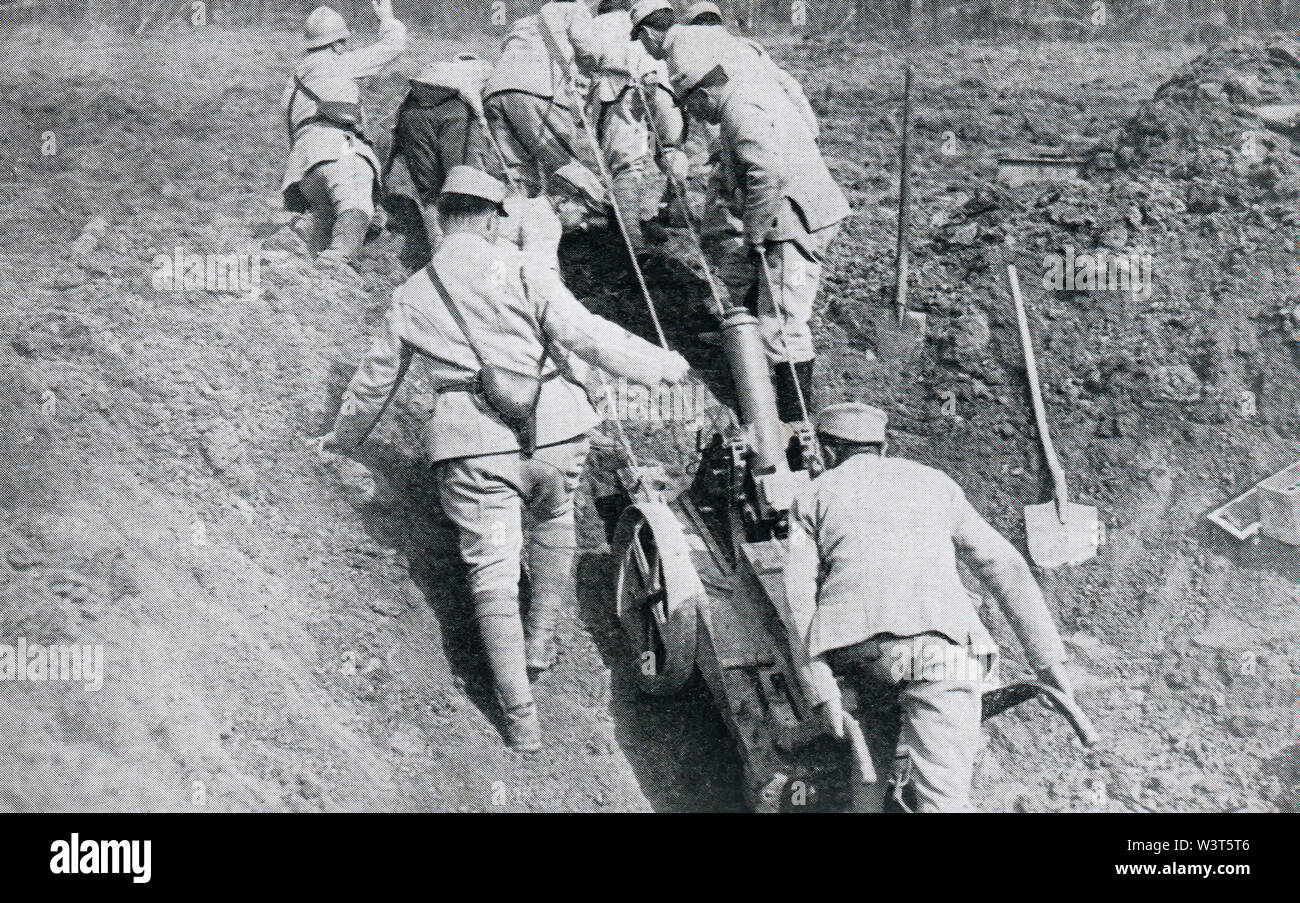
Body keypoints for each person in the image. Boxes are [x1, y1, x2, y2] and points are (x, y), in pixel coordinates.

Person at [322, 167, 691, 751]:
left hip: (472, 447)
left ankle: (521, 723)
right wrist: (659, 367)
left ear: (443, 217)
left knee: (490, 570)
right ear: (496, 217)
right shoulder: (524, 270)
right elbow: (586, 334)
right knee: (554, 517)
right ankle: (541, 641)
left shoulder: (414, 291)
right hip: (556, 433)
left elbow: (375, 381)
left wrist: (343, 438)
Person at [780, 403, 1076, 812]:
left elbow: (797, 597)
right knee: (944, 799)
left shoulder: (810, 496)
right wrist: (1050, 666)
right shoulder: (937, 484)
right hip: (945, 652)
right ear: (883, 447)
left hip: (861, 655)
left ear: (828, 454)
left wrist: (822, 690)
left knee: (867, 779)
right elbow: (1003, 565)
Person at [671, 58, 848, 423]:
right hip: (802, 218)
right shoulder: (750, 95)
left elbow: (767, 173)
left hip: (796, 227)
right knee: (772, 305)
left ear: (703, 94)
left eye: (690, 104)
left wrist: (753, 235)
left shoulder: (739, 112)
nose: (694, 115)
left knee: (782, 325)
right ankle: (758, 377)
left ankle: (794, 430)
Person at [281, 0, 407, 268]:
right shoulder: (338, 63)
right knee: (357, 206)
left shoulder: (292, 83)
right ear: (338, 43)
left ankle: (300, 249)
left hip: (303, 167)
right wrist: (386, 16)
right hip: (340, 150)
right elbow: (393, 46)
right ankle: (337, 262)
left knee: (325, 218)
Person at [480, 0, 607, 210]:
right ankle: (605, 207)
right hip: (538, 91)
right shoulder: (574, 8)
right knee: (561, 159)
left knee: (516, 169)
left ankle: (517, 224)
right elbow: (588, 51)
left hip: (496, 92)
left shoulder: (522, 23)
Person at [581, 0, 686, 252]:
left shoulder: (593, 25)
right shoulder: (643, 20)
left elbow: (582, 65)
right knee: (665, 148)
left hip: (622, 94)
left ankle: (634, 242)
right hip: (660, 90)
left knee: (627, 165)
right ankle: (677, 207)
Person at [388, 53, 493, 248]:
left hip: (412, 113)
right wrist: (482, 122)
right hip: (454, 115)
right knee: (461, 183)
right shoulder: (482, 74)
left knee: (429, 190)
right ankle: (462, 247)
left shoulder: (435, 74)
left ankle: (438, 246)